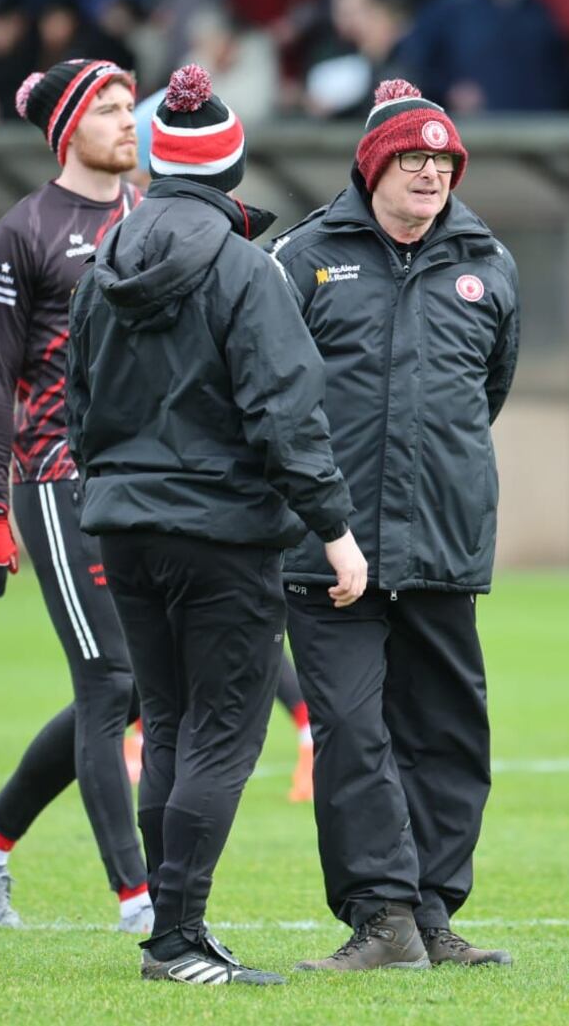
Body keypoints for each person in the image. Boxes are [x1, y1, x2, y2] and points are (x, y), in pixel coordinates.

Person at [69, 63, 366, 986]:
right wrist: (334, 527)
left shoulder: (101, 265)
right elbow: (288, 413)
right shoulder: (247, 271)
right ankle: (177, 937)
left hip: (122, 524)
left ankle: (171, 926)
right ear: (232, 169)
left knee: (166, 722)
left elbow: (77, 409)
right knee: (224, 732)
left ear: (157, 164)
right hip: (223, 532)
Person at [270, 79, 520, 970]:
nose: (430, 173)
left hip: (445, 542)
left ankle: (432, 912)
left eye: (444, 161)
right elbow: (271, 397)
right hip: (326, 547)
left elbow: (488, 391)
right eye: (413, 159)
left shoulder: (489, 262)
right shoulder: (301, 256)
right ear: (373, 165)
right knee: (350, 727)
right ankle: (380, 918)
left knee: (450, 730)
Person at [0, 58, 155, 935]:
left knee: (133, 687)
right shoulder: (19, 232)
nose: (125, 120)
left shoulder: (153, 215)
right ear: (66, 126)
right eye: (107, 107)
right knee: (109, 679)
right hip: (57, 479)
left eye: (129, 105)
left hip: (145, 479)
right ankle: (142, 906)